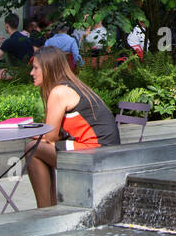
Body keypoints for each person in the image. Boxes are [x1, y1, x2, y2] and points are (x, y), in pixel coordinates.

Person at [24, 46, 120, 208]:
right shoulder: (72, 86)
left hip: (97, 154)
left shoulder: (59, 92)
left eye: (35, 68)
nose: (32, 73)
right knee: (38, 149)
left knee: (32, 149)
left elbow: (50, 136)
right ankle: (48, 208)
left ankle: (45, 211)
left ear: (48, 68)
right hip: (106, 153)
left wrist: (35, 134)